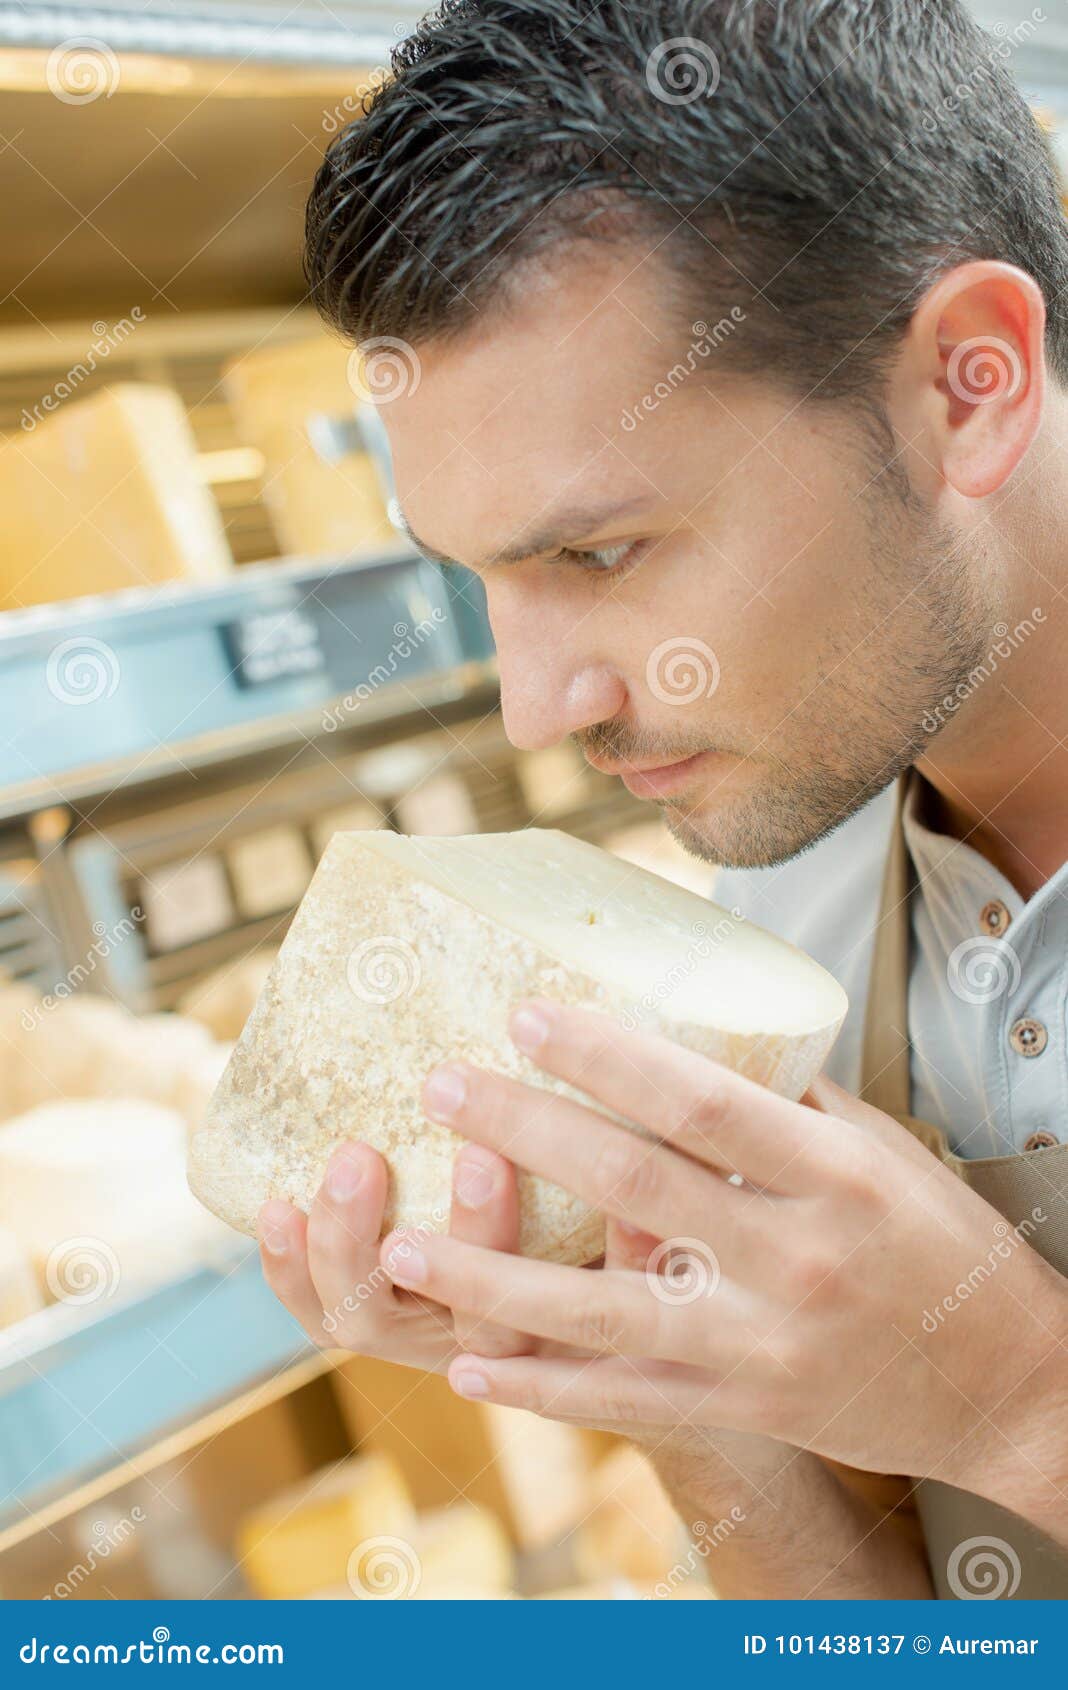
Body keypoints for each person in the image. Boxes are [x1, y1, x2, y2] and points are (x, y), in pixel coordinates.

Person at [259, 0, 1068, 1597]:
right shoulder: (785, 889)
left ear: (969, 385)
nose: (538, 707)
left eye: (599, 552)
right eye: (481, 579)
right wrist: (648, 1372)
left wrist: (1021, 1403)